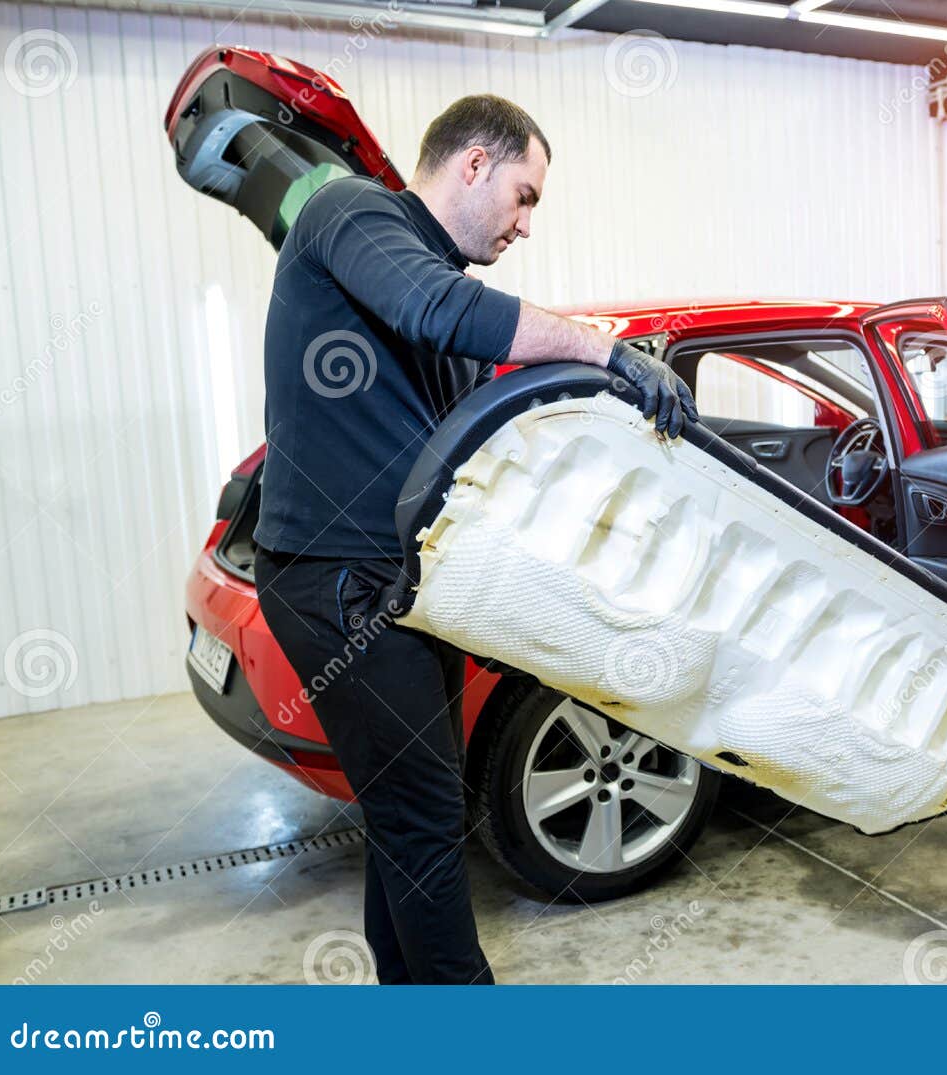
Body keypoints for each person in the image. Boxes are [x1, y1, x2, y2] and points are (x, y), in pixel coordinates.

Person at [250, 94, 697, 984]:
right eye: (525, 196)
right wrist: (606, 349)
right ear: (474, 164)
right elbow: (441, 308)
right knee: (421, 815)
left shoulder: (427, 298)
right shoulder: (352, 210)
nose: (526, 224)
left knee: (411, 813)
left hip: (405, 577)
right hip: (338, 578)